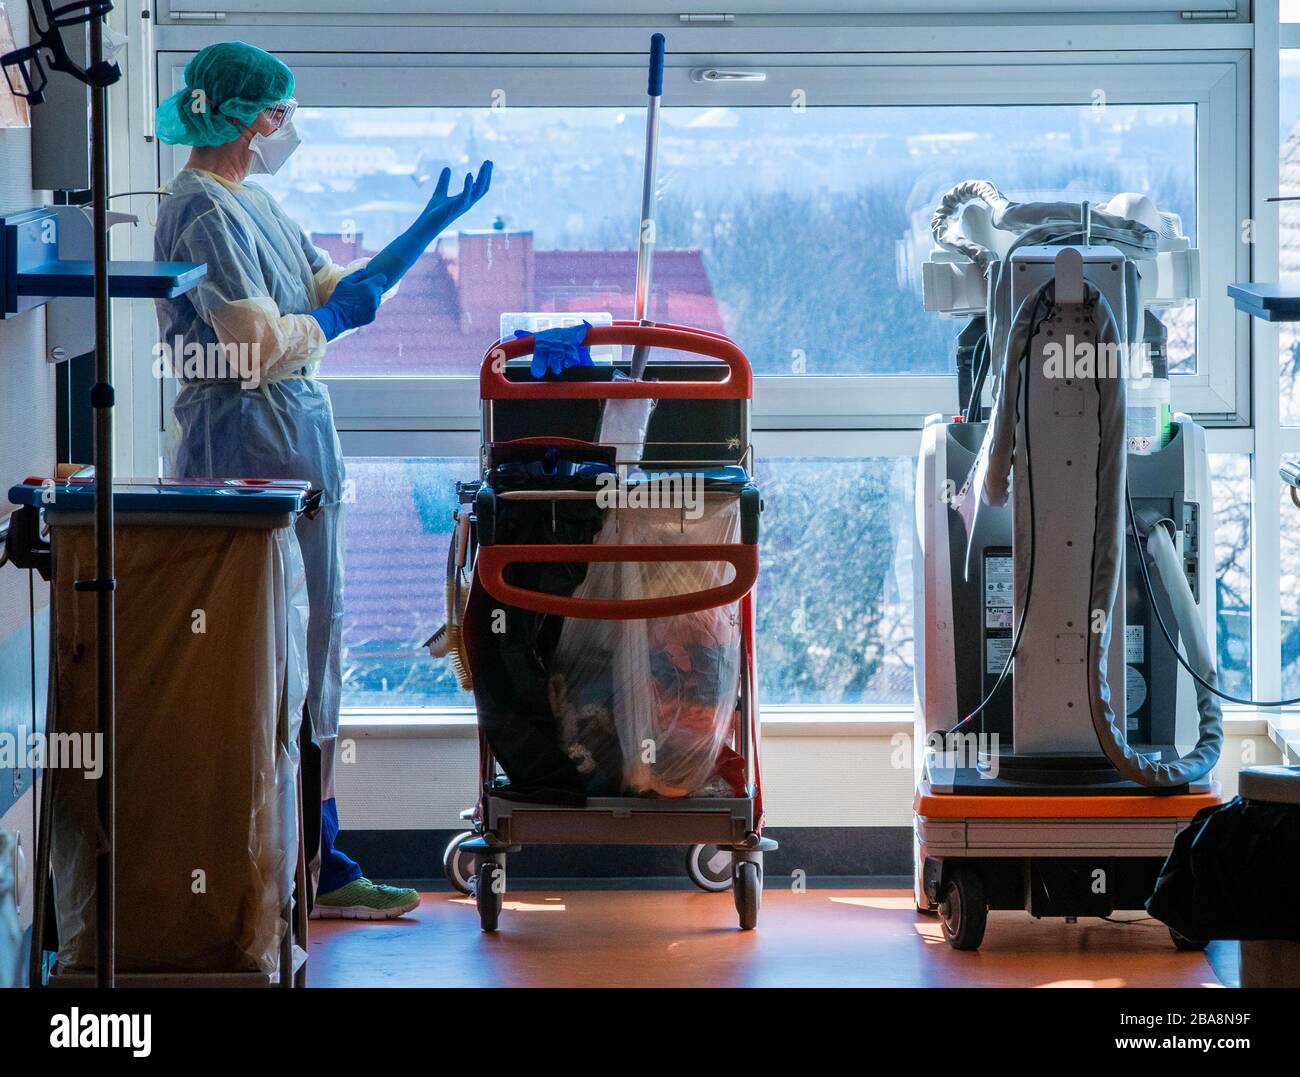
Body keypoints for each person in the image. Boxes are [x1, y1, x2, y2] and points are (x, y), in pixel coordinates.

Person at [152, 41, 492, 920]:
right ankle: (262, 863)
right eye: (279, 114)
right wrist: (330, 316)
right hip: (243, 446)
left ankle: (320, 858)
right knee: (259, 658)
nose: (286, 129)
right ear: (240, 118)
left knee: (316, 654)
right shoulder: (198, 210)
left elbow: (347, 294)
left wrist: (423, 234)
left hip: (292, 443)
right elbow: (256, 347)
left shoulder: (255, 202)